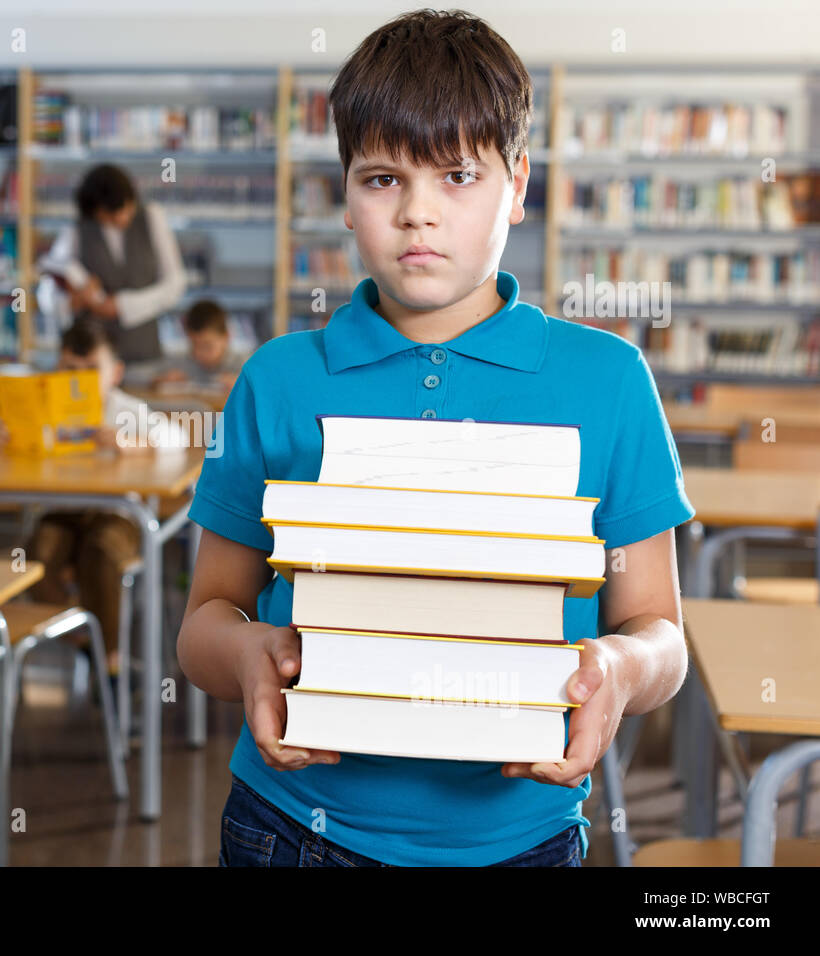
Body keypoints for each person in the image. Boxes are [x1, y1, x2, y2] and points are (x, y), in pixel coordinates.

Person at [177, 9, 694, 867]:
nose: (418, 213)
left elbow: (660, 634)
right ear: (344, 194)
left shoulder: (609, 380)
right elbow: (204, 619)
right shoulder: (277, 377)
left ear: (518, 184)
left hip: (522, 838)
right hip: (292, 831)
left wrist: (620, 666)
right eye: (382, 179)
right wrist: (246, 652)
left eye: (458, 175)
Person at [0, 320, 188, 678]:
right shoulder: (43, 403)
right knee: (38, 554)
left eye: (91, 370)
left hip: (115, 513)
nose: (80, 378)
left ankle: (112, 661)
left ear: (115, 373)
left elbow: (175, 438)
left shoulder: (125, 411)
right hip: (60, 512)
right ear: (58, 368)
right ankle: (83, 641)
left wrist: (132, 444)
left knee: (102, 552)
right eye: (71, 369)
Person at [36, 163, 187, 364]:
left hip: (143, 354)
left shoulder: (152, 217)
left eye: (127, 208)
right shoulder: (76, 231)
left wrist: (122, 306)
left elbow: (175, 284)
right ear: (94, 211)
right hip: (92, 361)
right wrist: (74, 301)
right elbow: (45, 296)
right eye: (111, 213)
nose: (122, 217)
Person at [126, 298, 245, 392]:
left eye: (208, 345)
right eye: (194, 345)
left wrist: (247, 388)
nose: (200, 353)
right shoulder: (180, 361)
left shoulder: (245, 364)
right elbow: (128, 375)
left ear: (227, 336)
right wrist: (157, 380)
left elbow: (263, 389)